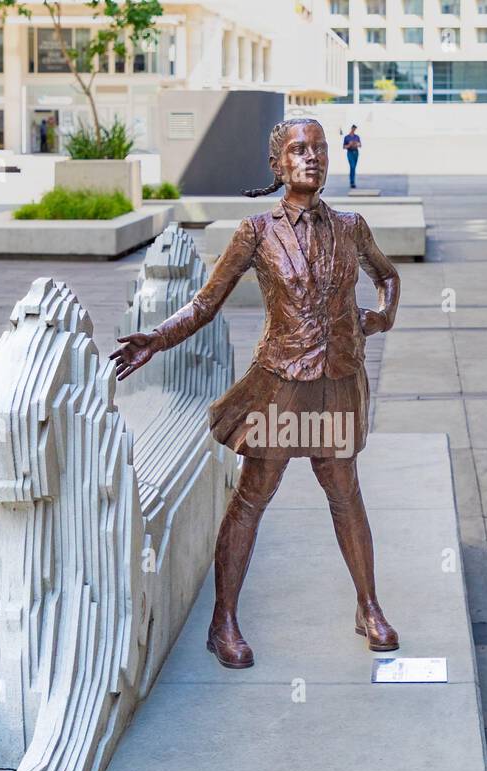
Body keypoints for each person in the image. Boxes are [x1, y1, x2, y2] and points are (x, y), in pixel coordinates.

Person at [110, 118, 400, 669]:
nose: (311, 158)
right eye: (298, 150)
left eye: (318, 149)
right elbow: (205, 302)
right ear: (277, 166)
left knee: (345, 493)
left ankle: (368, 606)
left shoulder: (351, 226)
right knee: (254, 496)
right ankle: (223, 622)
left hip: (338, 381)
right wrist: (158, 337)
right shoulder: (256, 232)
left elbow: (387, 277)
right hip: (281, 385)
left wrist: (381, 317)